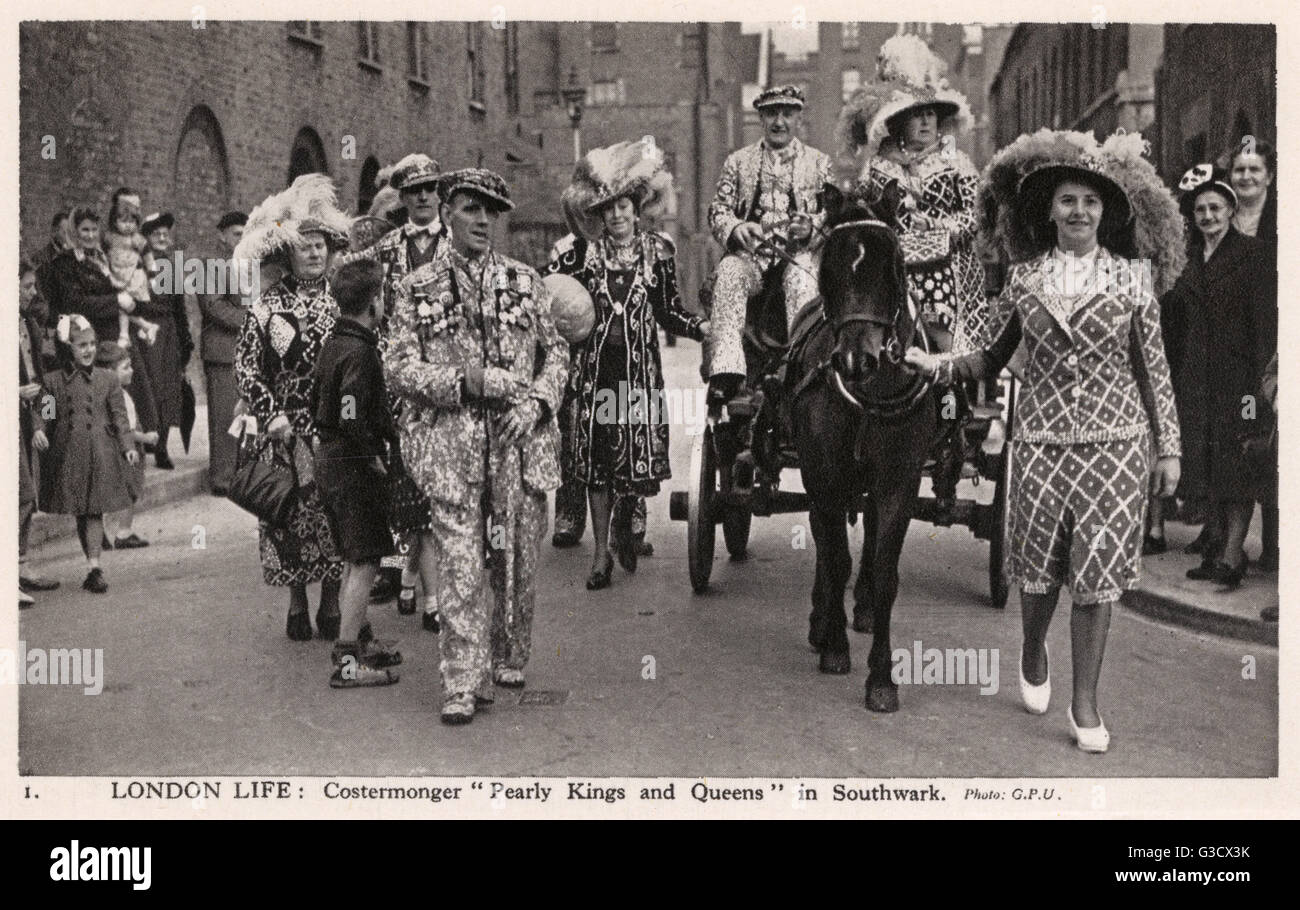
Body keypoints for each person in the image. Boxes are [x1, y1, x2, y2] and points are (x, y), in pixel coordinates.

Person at [905, 131, 1184, 753]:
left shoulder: (1133, 280)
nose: (1079, 211)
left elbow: (1154, 369)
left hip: (1117, 445)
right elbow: (990, 358)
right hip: (1040, 442)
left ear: (1105, 212)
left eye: (1089, 201)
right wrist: (938, 366)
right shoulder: (1026, 282)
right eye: (1067, 201)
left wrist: (1170, 448)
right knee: (1037, 575)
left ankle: (1085, 704)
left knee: (1096, 576)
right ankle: (1033, 647)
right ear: (1050, 211)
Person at [385, 168, 567, 724]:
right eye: (470, 208)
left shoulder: (524, 280)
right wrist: (463, 381)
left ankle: (507, 652)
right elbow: (396, 367)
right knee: (461, 564)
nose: (483, 220)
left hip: (518, 447)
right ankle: (462, 681)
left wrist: (536, 403)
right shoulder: (415, 289)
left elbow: (556, 353)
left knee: (514, 563)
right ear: (446, 211)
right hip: (452, 449)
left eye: (491, 210)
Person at [839, 34, 988, 515]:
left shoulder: (959, 164)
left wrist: (938, 232)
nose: (926, 122)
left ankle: (950, 427)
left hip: (948, 272)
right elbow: (866, 218)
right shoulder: (880, 168)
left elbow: (974, 217)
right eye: (917, 114)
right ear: (900, 120)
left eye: (932, 114)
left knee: (941, 339)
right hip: (894, 271)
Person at [549, 140, 708, 589]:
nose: (616, 216)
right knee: (598, 465)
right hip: (596, 378)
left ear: (637, 209)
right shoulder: (580, 255)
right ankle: (600, 556)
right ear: (598, 215)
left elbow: (669, 312)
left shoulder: (658, 253)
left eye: (623, 207)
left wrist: (702, 327)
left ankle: (625, 519)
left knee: (634, 466)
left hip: (638, 378)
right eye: (608, 209)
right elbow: (559, 303)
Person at [234, 174, 352, 641]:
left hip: (333, 431)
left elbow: (364, 358)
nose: (314, 252)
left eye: (321, 244)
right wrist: (270, 414)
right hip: (284, 432)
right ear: (288, 252)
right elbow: (246, 369)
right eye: (305, 245)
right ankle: (297, 601)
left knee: (335, 514)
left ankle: (331, 601)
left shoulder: (343, 304)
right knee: (289, 516)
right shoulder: (265, 308)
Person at [334, 152, 443, 615]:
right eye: (413, 190)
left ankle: (423, 582)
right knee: (408, 488)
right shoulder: (386, 249)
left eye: (430, 188)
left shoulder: (458, 244)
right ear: (401, 197)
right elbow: (348, 291)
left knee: (446, 487)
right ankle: (419, 586)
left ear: (439, 194)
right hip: (397, 388)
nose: (422, 197)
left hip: (447, 384)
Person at [1161, 166, 1276, 589]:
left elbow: (1265, 326)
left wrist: (1260, 392)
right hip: (1197, 381)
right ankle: (1217, 549)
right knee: (1207, 464)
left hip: (1241, 382)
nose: (1208, 216)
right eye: (1201, 210)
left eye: (1215, 208)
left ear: (1230, 210)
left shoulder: (1254, 254)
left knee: (1239, 465)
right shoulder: (1189, 259)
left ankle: (1233, 555)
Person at [704, 84, 831, 408]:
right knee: (730, 271)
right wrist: (736, 227)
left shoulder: (819, 164)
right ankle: (728, 372)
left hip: (797, 257)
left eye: (787, 114)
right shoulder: (738, 162)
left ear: (798, 118)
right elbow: (718, 210)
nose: (779, 122)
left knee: (802, 280)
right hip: (753, 261)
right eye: (772, 113)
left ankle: (799, 365)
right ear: (760, 117)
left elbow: (830, 215)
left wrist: (811, 226)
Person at [312, 259, 404, 687]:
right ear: (375, 301)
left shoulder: (334, 342)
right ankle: (347, 663)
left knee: (355, 557)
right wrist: (372, 454)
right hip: (351, 465)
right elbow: (351, 412)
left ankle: (358, 641)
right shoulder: (361, 351)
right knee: (366, 559)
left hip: (330, 460)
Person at [39, 314, 141, 594]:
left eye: (93, 344)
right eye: (81, 344)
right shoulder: (52, 382)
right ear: (67, 347)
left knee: (94, 510)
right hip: (68, 453)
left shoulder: (108, 380)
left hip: (100, 452)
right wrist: (39, 430)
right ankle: (91, 563)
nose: (89, 350)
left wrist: (128, 447)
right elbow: (45, 414)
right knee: (82, 512)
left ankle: (94, 568)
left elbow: (120, 418)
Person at [46, 207, 161, 441]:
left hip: (115, 334)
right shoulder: (65, 263)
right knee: (100, 398)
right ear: (74, 231)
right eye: (84, 229)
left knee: (130, 387)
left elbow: (118, 285)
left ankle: (137, 440)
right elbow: (74, 303)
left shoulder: (100, 259)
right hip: (90, 340)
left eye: (94, 229)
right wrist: (115, 300)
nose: (89, 235)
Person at [1223, 137, 1277, 572]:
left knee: (1270, 440)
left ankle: (1275, 544)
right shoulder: (1222, 219)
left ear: (1269, 177)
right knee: (1237, 438)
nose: (1246, 177)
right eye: (1239, 170)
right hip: (1231, 354)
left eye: (1253, 170)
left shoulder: (1279, 224)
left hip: (1269, 348)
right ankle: (1222, 538)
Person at [197, 211, 248, 495]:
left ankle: (239, 475)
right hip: (221, 353)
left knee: (243, 417)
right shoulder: (209, 267)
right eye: (236, 234)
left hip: (242, 351)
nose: (242, 239)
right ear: (222, 236)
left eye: (245, 233)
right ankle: (222, 479)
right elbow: (214, 307)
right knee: (224, 418)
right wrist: (251, 319)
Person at [136, 212, 191, 469]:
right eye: (155, 234)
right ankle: (145, 439)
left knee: (169, 389)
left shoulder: (173, 267)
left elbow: (180, 308)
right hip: (147, 331)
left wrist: (184, 340)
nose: (161, 238)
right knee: (149, 387)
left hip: (168, 331)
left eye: (164, 234)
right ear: (146, 237)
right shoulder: (138, 265)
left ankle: (162, 447)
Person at [19, 261, 58, 605]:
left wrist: (45, 420)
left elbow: (40, 377)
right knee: (19, 494)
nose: (33, 292)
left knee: (28, 495)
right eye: (27, 286)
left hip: (29, 416)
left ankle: (21, 563)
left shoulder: (29, 323)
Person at [98, 342, 156, 548]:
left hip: (113, 450)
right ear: (108, 372)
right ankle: (123, 532)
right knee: (129, 490)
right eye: (125, 367)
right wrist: (148, 439)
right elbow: (127, 430)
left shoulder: (106, 393)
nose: (131, 370)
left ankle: (103, 533)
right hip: (127, 451)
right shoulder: (119, 397)